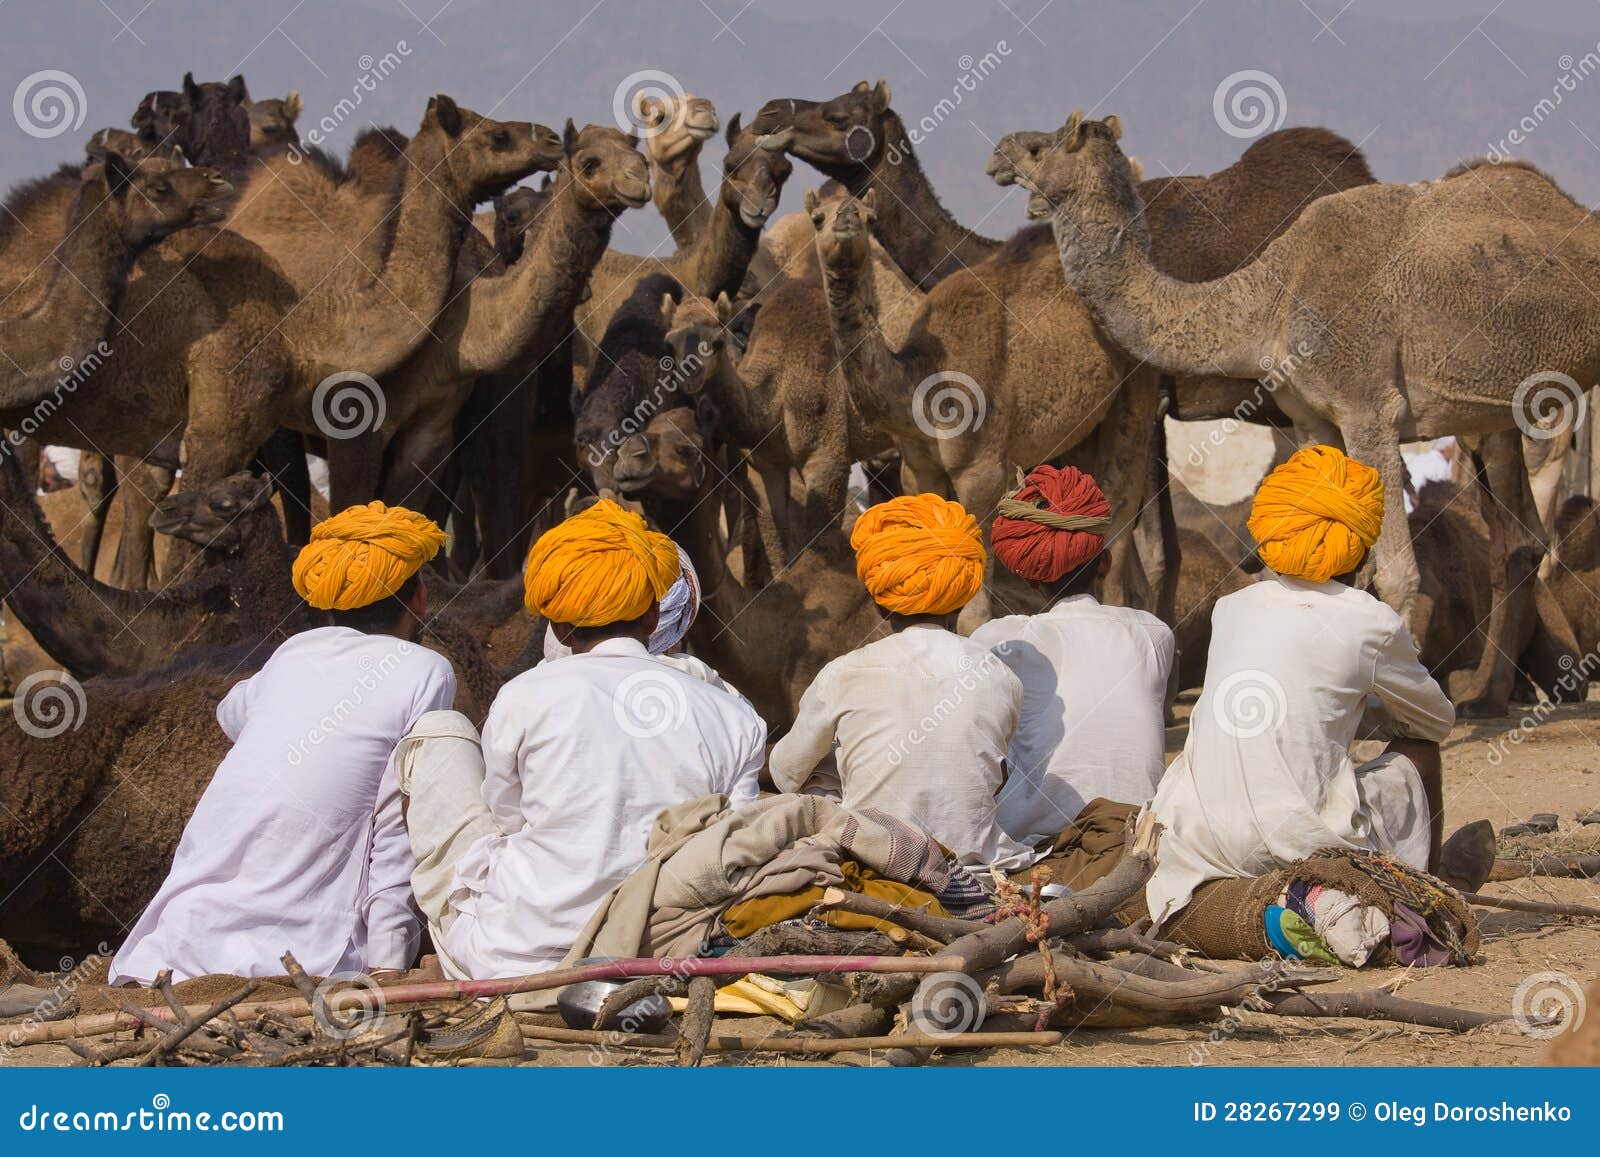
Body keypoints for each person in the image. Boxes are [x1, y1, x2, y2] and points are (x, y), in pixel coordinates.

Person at [401, 500, 766, 978]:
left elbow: (506, 817)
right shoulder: (734, 714)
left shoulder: (523, 696)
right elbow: (736, 844)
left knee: (437, 733)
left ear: (557, 624)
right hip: (666, 957)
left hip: (515, 960)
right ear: (655, 618)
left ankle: (393, 953)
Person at [110, 502, 455, 984]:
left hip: (183, 937)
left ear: (329, 603)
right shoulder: (426, 670)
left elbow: (230, 712)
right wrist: (388, 961)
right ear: (418, 599)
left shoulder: (294, 652)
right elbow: (397, 822)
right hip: (310, 950)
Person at [1145, 445, 1473, 930]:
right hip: (1295, 845)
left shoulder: (1232, 608)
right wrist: (1365, 702)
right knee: (1421, 750)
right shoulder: (1371, 620)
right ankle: (1428, 897)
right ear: (1360, 547)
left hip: (1196, 838)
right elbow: (1436, 721)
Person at [769, 494, 1033, 870]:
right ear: (961, 597)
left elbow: (785, 774)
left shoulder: (843, 674)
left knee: (822, 774)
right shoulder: (1000, 676)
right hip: (978, 865)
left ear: (877, 602)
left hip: (874, 863)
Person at [970, 465, 1174, 863]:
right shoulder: (1154, 633)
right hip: (1139, 837)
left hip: (1038, 846)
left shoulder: (1001, 640)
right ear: (1107, 563)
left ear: (1030, 580)